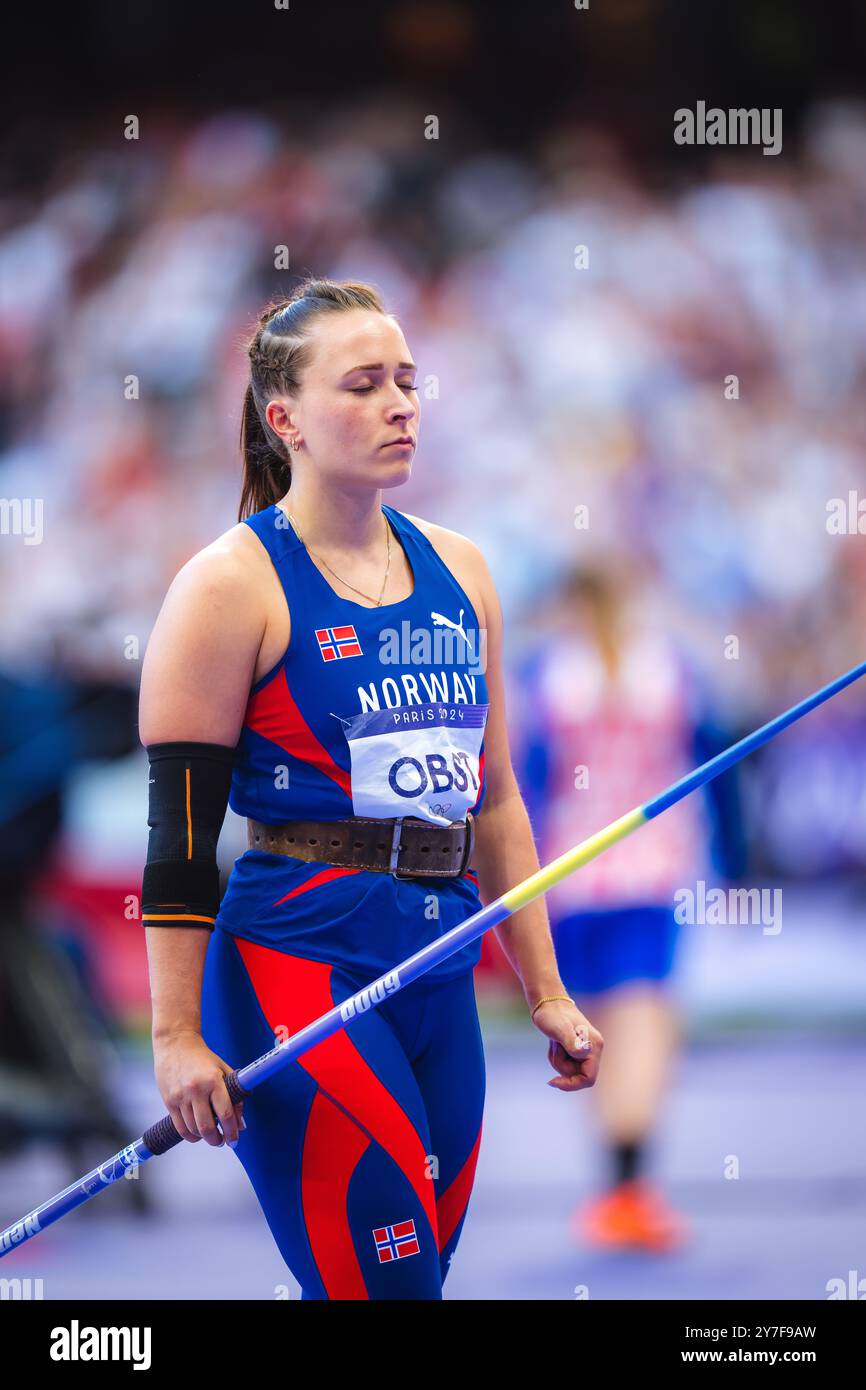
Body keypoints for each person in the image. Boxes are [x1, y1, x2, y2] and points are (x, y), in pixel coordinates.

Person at [137, 276, 603, 1300]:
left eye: (406, 379)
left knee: (408, 1279)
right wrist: (175, 1038)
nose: (400, 404)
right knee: (386, 1293)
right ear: (284, 418)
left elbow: (496, 802)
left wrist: (548, 989)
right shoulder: (229, 585)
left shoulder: (462, 570)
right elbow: (176, 839)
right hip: (297, 967)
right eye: (362, 385)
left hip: (439, 957)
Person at [516, 563, 708, 1251]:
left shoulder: (548, 676)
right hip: (650, 873)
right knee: (645, 1017)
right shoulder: (671, 668)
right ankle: (628, 1186)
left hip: (573, 875)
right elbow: (713, 766)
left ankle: (620, 1186)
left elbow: (526, 786)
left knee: (595, 1026)